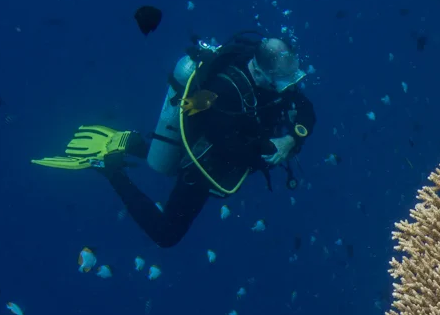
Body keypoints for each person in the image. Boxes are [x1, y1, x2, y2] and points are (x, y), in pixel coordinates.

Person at [32, 32, 316, 247]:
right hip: (204, 161)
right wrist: (269, 154)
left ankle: (133, 143)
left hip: (226, 144)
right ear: (259, 69)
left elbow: (306, 110)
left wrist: (292, 138)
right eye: (280, 82)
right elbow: (227, 147)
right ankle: (111, 169)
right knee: (166, 234)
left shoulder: (275, 81)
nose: (286, 88)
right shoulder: (224, 90)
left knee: (170, 160)